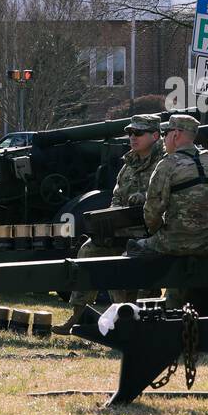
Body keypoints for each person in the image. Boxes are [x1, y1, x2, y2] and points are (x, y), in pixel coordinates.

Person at [125, 113, 208, 308]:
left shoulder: (168, 164)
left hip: (174, 241)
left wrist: (155, 231)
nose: (164, 139)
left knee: (132, 250)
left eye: (165, 134)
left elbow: (152, 211)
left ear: (176, 135)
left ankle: (130, 310)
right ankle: (174, 304)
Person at [69, 114, 165, 313]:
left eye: (138, 132)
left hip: (152, 233)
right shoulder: (128, 166)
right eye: (130, 133)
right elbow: (117, 197)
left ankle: (141, 316)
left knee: (138, 267)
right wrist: (111, 218)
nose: (133, 137)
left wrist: (145, 198)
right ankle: (78, 314)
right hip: (124, 230)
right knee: (89, 250)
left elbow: (167, 197)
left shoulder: (165, 163)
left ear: (155, 135)